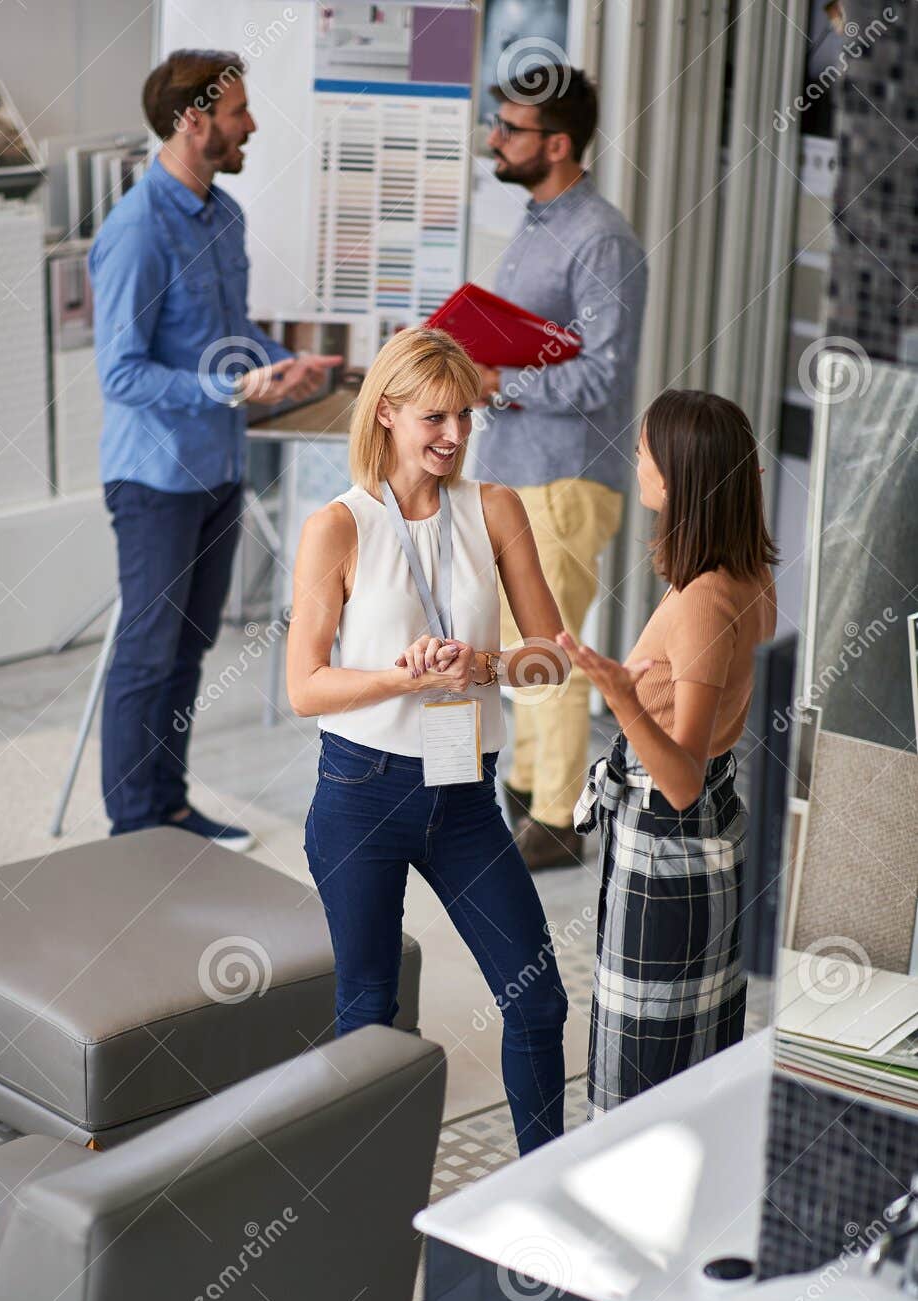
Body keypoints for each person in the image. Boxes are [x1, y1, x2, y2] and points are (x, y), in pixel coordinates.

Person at [286, 328, 574, 1158]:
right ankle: (359, 1203)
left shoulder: (494, 509)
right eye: (435, 419)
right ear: (386, 414)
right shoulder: (336, 528)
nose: (454, 435)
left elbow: (553, 656)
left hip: (465, 799)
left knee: (537, 1000)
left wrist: (481, 663)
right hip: (360, 795)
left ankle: (540, 1179)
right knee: (369, 1015)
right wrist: (401, 678)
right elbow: (306, 687)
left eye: (466, 417)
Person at [90, 50, 340, 846]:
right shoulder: (135, 230)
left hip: (221, 468)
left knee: (191, 649)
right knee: (147, 652)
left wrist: (276, 362)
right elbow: (120, 373)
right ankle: (133, 829)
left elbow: (228, 336)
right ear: (191, 121)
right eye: (237, 112)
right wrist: (228, 389)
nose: (251, 125)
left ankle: (168, 807)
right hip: (155, 478)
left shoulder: (224, 215)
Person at [558, 389, 778, 1117]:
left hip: (670, 847)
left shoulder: (703, 602)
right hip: (708, 838)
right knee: (694, 1070)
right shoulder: (747, 576)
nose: (635, 461)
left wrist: (618, 694)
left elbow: (678, 779)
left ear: (680, 478)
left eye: (645, 453)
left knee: (636, 1083)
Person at [473, 65, 647, 872]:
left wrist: (497, 381)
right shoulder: (540, 220)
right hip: (516, 468)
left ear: (557, 144)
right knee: (519, 644)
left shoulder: (600, 238)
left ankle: (556, 822)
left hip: (567, 476)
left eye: (508, 130)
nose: (493, 140)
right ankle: (526, 792)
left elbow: (602, 376)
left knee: (552, 648)